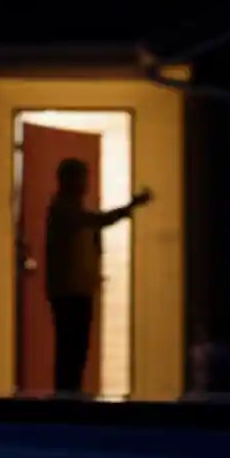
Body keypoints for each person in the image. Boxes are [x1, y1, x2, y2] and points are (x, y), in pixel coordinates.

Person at [44, 157, 152, 393]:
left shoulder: (69, 209)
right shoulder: (64, 210)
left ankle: (70, 392)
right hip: (69, 291)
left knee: (75, 346)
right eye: (82, 178)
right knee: (72, 346)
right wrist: (131, 206)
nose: (86, 184)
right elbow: (98, 220)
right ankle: (67, 395)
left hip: (76, 289)